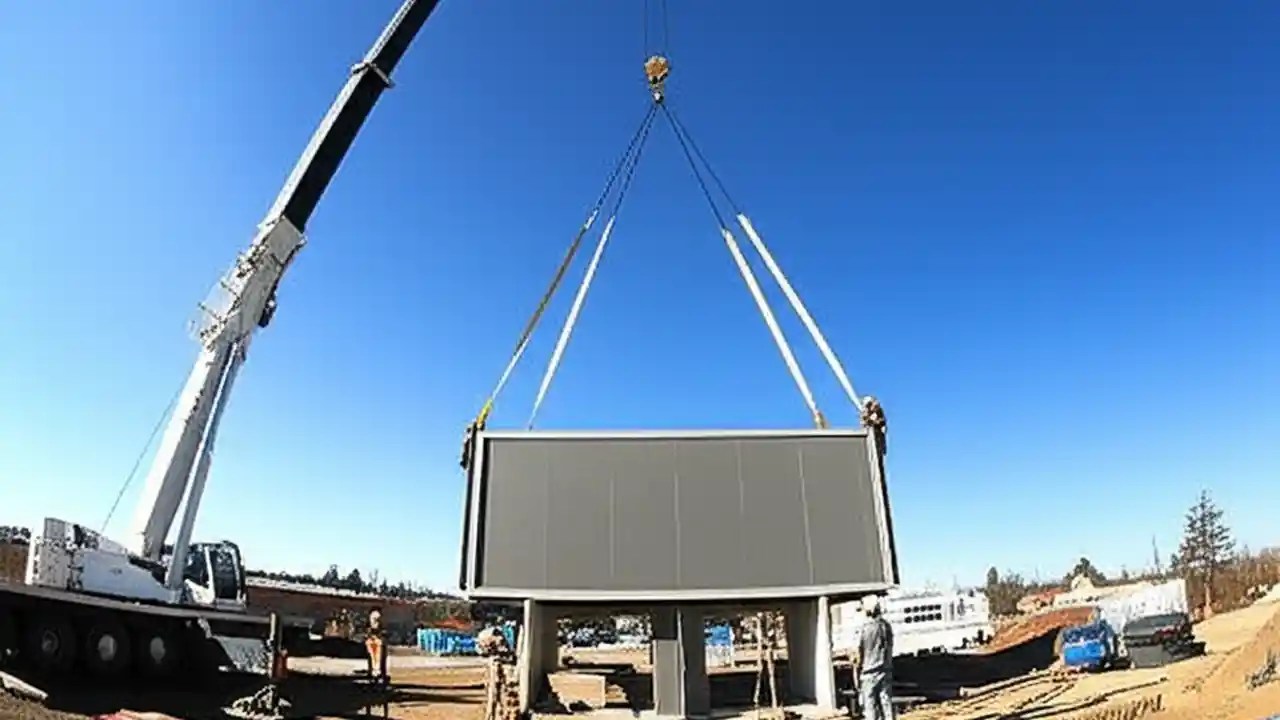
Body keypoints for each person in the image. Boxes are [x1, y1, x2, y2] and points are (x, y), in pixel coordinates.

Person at [855, 595, 894, 720]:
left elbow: (858, 654)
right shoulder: (886, 626)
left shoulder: (863, 629)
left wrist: (856, 674)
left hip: (868, 673)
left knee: (870, 708)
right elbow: (890, 647)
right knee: (886, 705)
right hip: (884, 670)